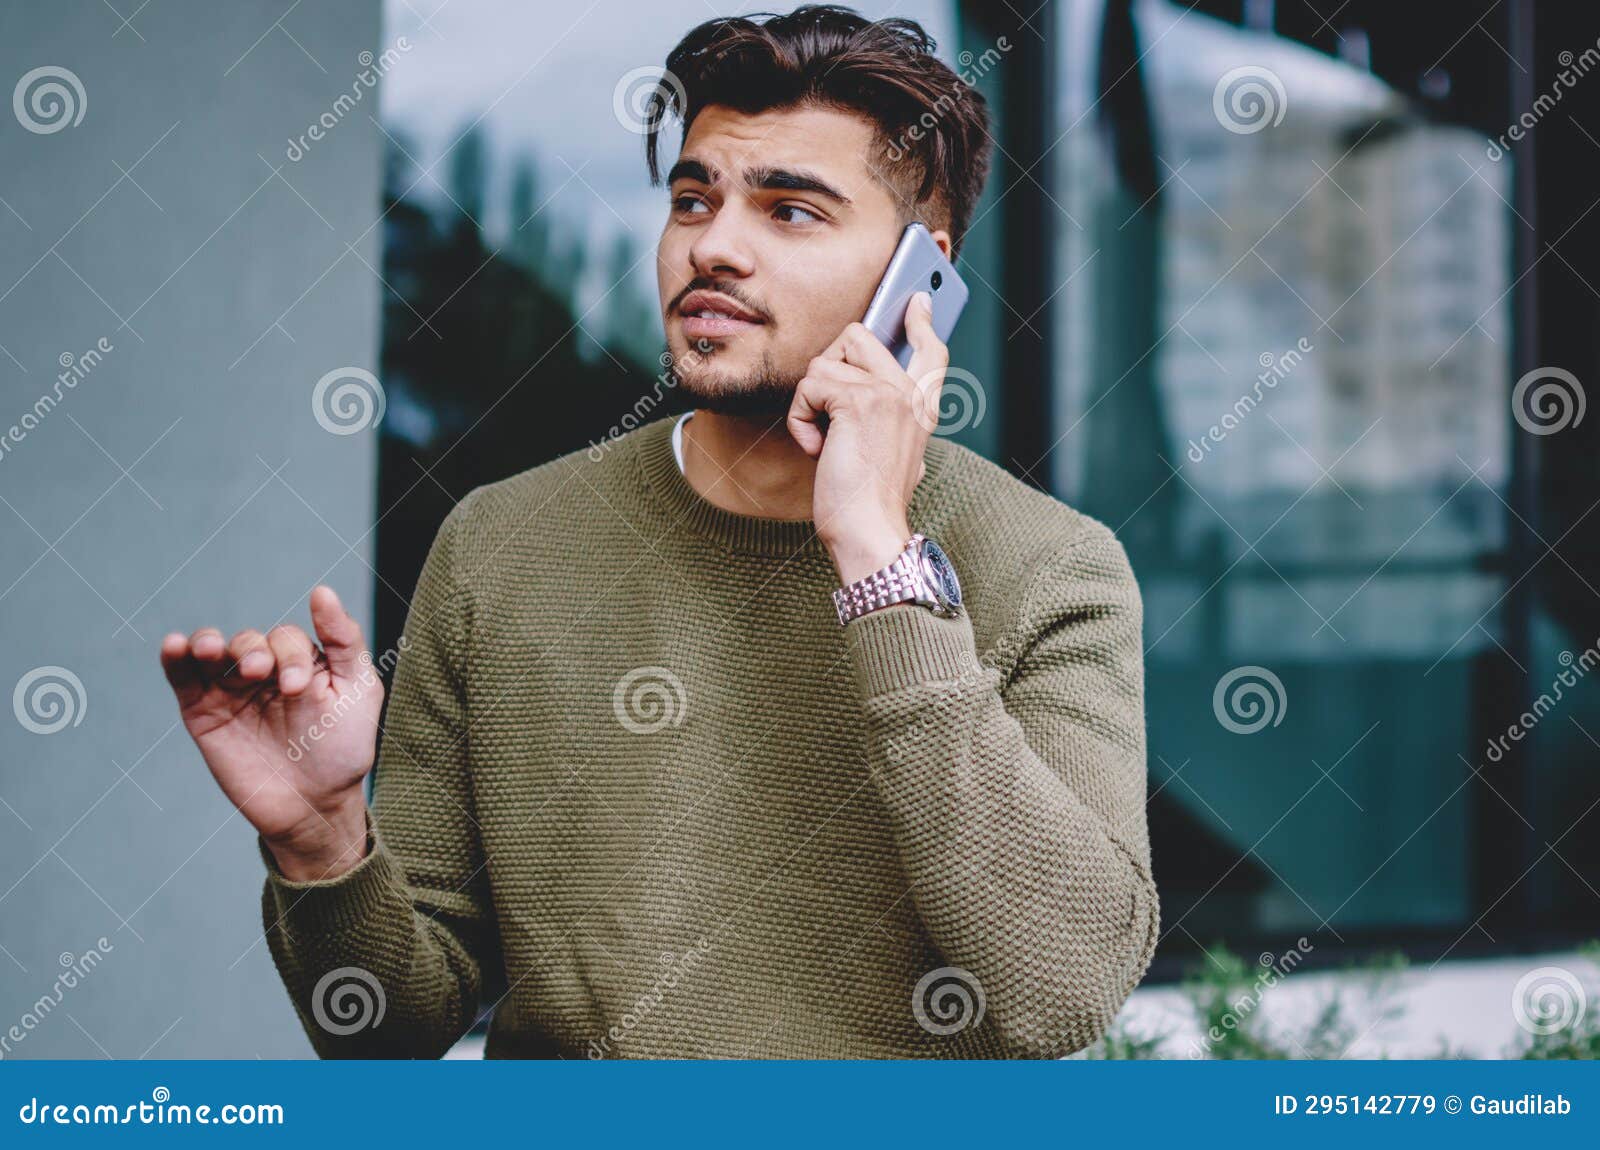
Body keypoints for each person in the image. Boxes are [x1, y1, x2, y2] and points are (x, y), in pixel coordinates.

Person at [159, 4, 1157, 1059]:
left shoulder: (1054, 571)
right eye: (693, 199)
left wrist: (877, 558)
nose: (713, 247)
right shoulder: (501, 549)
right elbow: (392, 1030)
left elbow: (1064, 989)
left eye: (790, 212)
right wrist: (321, 844)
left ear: (922, 278)